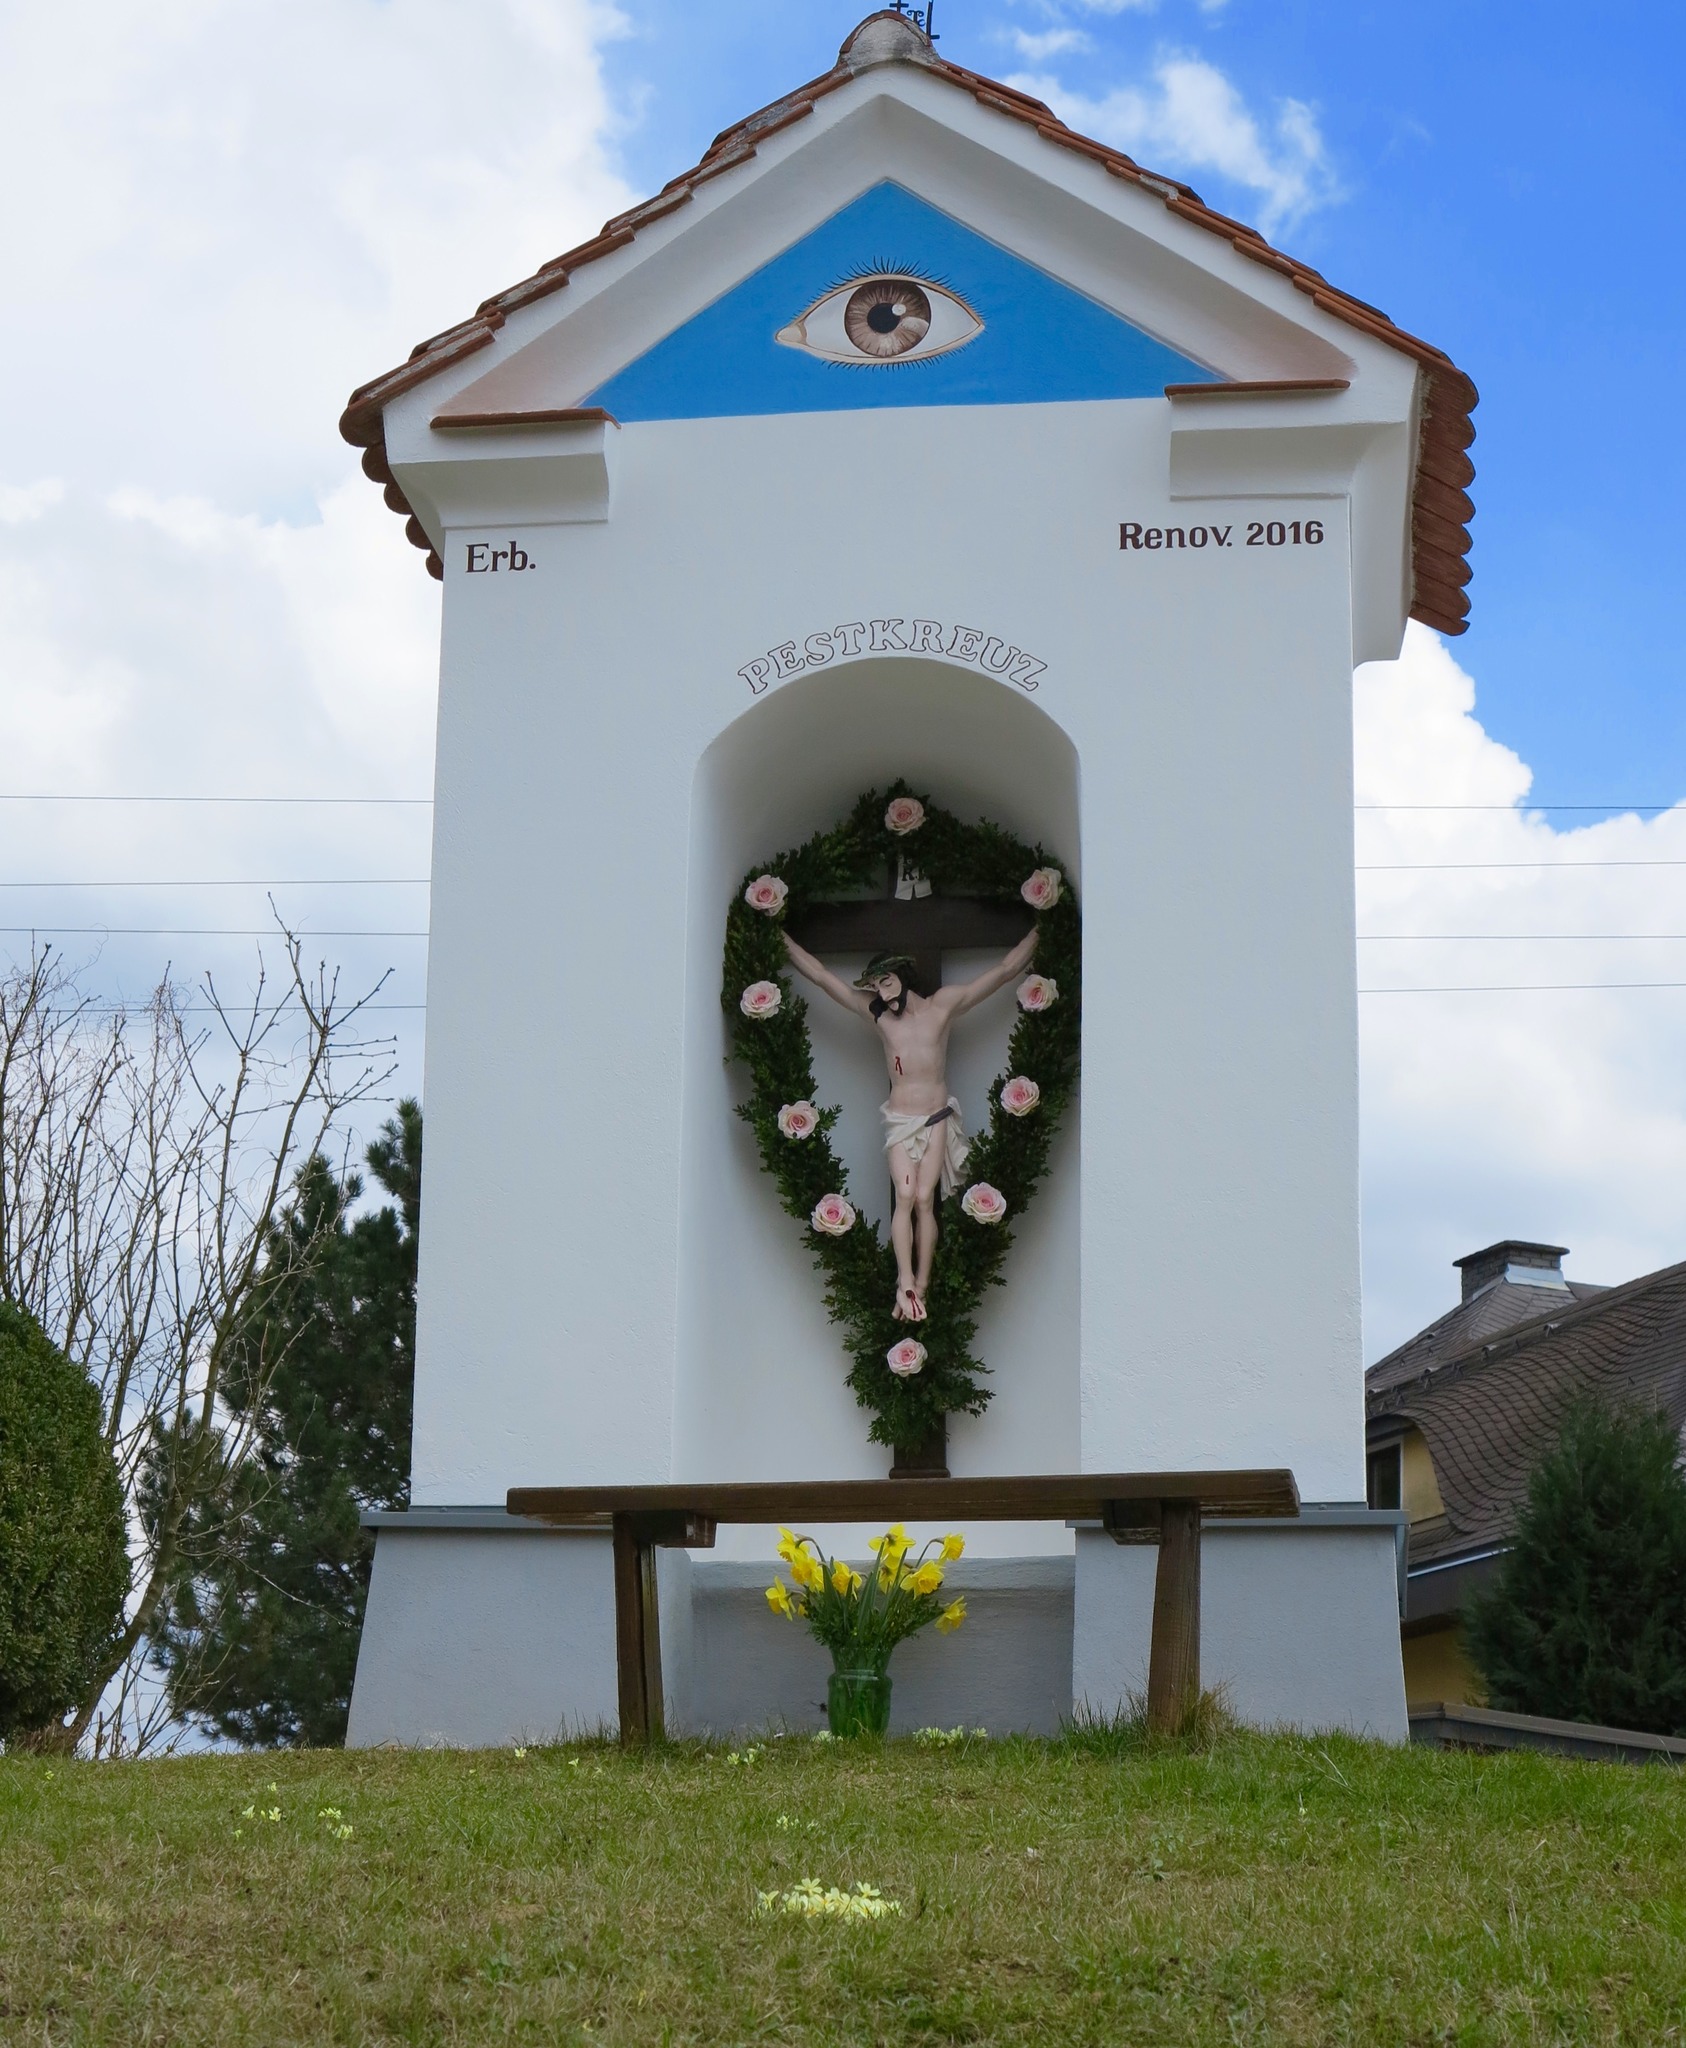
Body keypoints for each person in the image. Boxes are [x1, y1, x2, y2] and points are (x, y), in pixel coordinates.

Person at [781, 929, 1037, 1322]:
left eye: (885, 982)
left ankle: (923, 1285)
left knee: (923, 1199)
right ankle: (904, 1281)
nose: (882, 994)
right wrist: (781, 941)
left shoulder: (942, 1007)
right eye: (874, 986)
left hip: (935, 1117)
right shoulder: (880, 1017)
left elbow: (1003, 971)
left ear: (903, 975)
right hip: (900, 1121)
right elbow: (821, 977)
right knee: (904, 1195)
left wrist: (1041, 931)